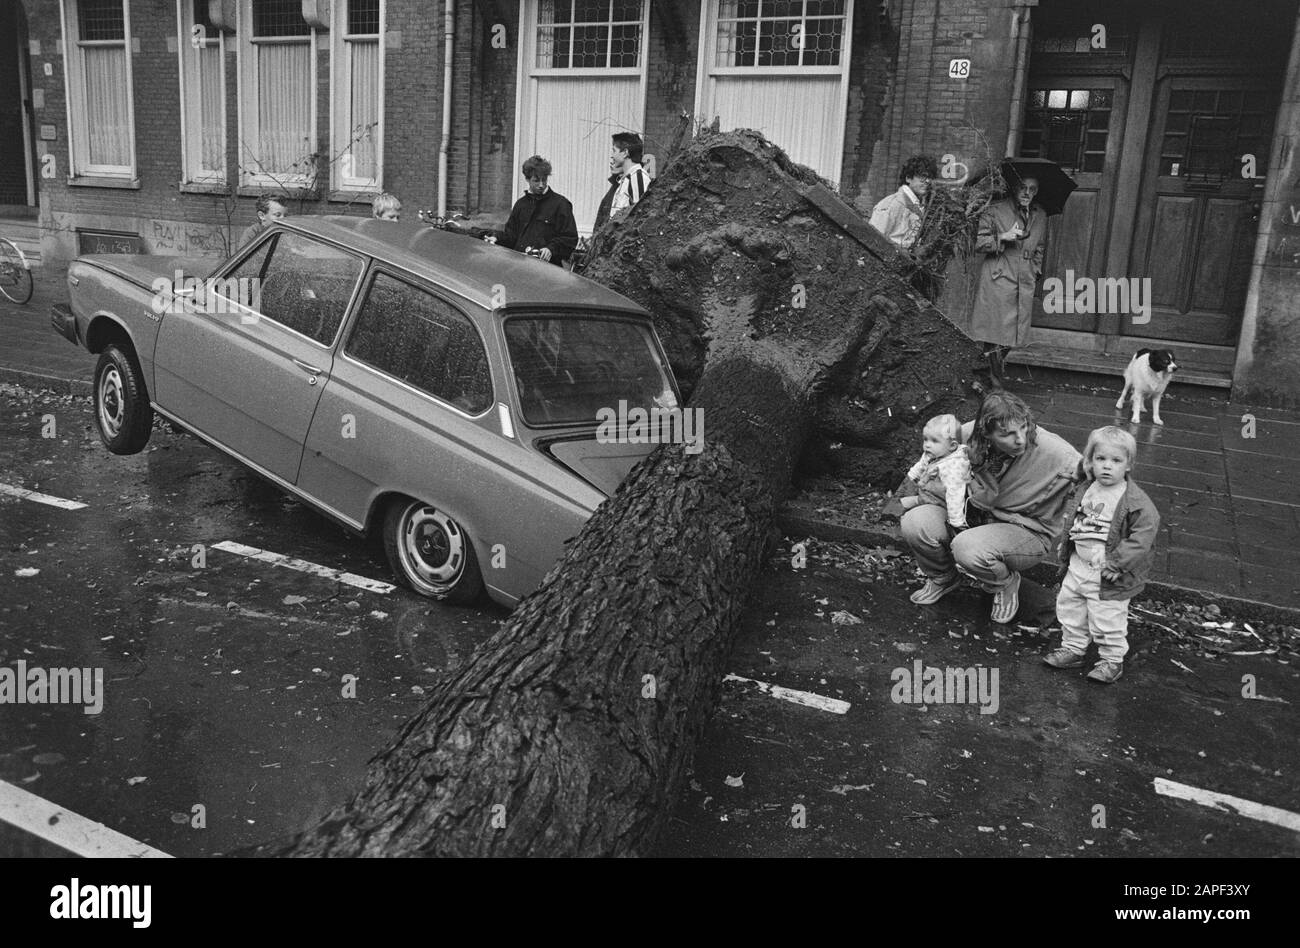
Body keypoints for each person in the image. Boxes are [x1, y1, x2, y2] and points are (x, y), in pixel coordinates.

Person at [901, 391, 1083, 624]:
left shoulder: (1058, 453)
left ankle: (1005, 584)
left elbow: (1106, 482)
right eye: (1007, 434)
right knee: (915, 523)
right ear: (986, 433)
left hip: (1025, 530)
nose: (1020, 439)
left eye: (1024, 428)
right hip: (972, 516)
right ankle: (943, 577)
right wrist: (919, 493)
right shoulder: (965, 436)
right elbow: (930, 461)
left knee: (967, 548)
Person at [1044, 426, 1160, 684]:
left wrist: (1117, 563)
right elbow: (1077, 518)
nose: (1107, 466)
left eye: (1116, 461)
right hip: (1079, 565)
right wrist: (1067, 546)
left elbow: (1143, 536)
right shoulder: (1087, 488)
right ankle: (1073, 648)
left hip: (1108, 572)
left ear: (1129, 464)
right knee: (1070, 607)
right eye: (1101, 459)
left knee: (1107, 618)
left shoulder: (1135, 500)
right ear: (1090, 461)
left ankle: (1111, 660)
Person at [970, 172, 1048, 387]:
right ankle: (994, 383)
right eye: (1023, 187)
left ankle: (986, 375)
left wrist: (1036, 270)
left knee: (1012, 334)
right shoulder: (995, 210)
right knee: (996, 332)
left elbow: (1039, 246)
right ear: (1015, 188)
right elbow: (977, 242)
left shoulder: (1040, 214)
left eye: (1032, 189)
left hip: (1024, 279)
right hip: (1000, 275)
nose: (1027, 193)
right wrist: (1002, 237)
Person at [492, 155, 579, 266]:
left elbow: (570, 238)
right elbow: (511, 236)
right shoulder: (520, 205)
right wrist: (496, 238)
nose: (541, 185)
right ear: (527, 179)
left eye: (544, 180)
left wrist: (551, 249)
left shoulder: (561, 204)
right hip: (519, 266)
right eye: (536, 181)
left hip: (547, 269)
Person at [899, 413, 971, 530]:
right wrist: (911, 476)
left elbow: (955, 495)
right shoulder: (935, 452)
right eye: (925, 439)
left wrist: (956, 521)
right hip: (929, 494)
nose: (927, 445)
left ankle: (923, 512)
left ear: (952, 446)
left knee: (914, 514)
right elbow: (920, 465)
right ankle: (914, 504)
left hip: (943, 504)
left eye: (934, 441)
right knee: (902, 504)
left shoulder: (954, 466)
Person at [869, 155, 937, 250]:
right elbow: (873, 241)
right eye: (922, 176)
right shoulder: (892, 204)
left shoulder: (921, 206)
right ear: (908, 178)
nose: (928, 181)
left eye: (930, 177)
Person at [594, 131, 651, 230]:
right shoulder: (625, 180)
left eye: (614, 151)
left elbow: (639, 220)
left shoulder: (638, 178)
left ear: (625, 153)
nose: (612, 155)